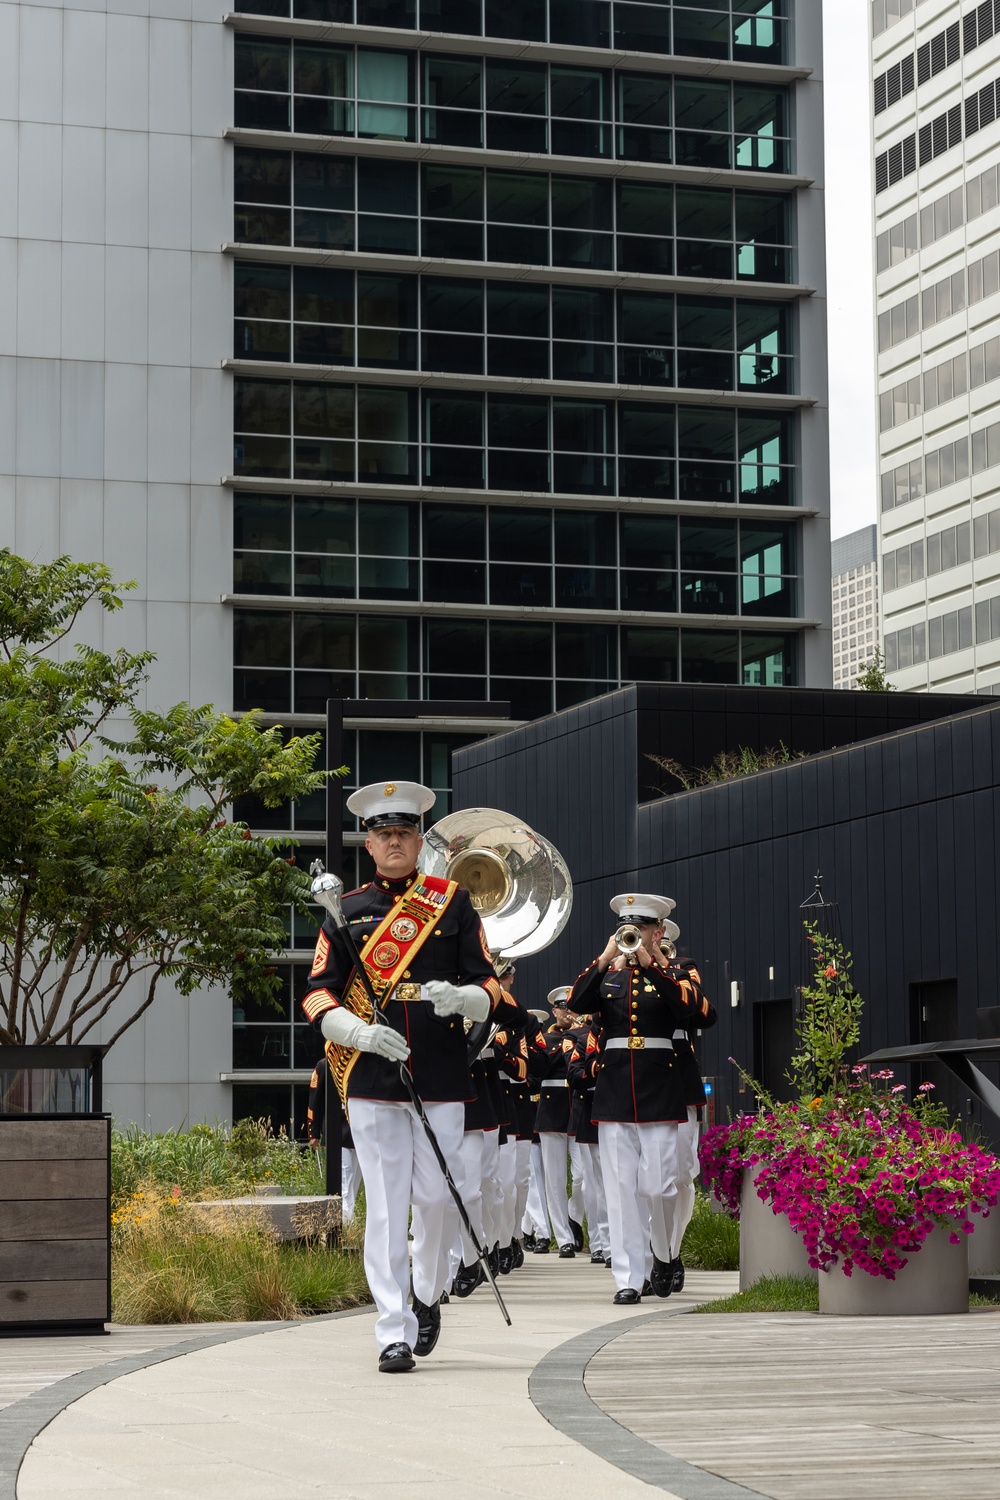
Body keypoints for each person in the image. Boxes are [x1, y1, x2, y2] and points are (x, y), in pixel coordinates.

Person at [302, 780, 504, 1373]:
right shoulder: (349, 913)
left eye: (404, 833)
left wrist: (464, 998)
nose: (394, 842)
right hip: (370, 1075)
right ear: (369, 844)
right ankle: (393, 1328)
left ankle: (425, 1291)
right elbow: (317, 996)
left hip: (440, 1068)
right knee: (388, 1207)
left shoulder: (453, 902)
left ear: (419, 840)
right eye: (384, 834)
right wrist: (357, 1033)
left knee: (437, 1198)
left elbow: (490, 986)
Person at [569, 893, 713, 1305]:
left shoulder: (674, 974)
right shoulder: (610, 978)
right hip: (615, 1093)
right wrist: (603, 959)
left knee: (661, 1185)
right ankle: (628, 1278)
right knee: (619, 1189)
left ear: (659, 931)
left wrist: (658, 966)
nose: (637, 936)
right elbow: (578, 1003)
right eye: (629, 930)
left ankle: (665, 1253)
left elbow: (698, 1013)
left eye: (644, 929)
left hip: (661, 1091)